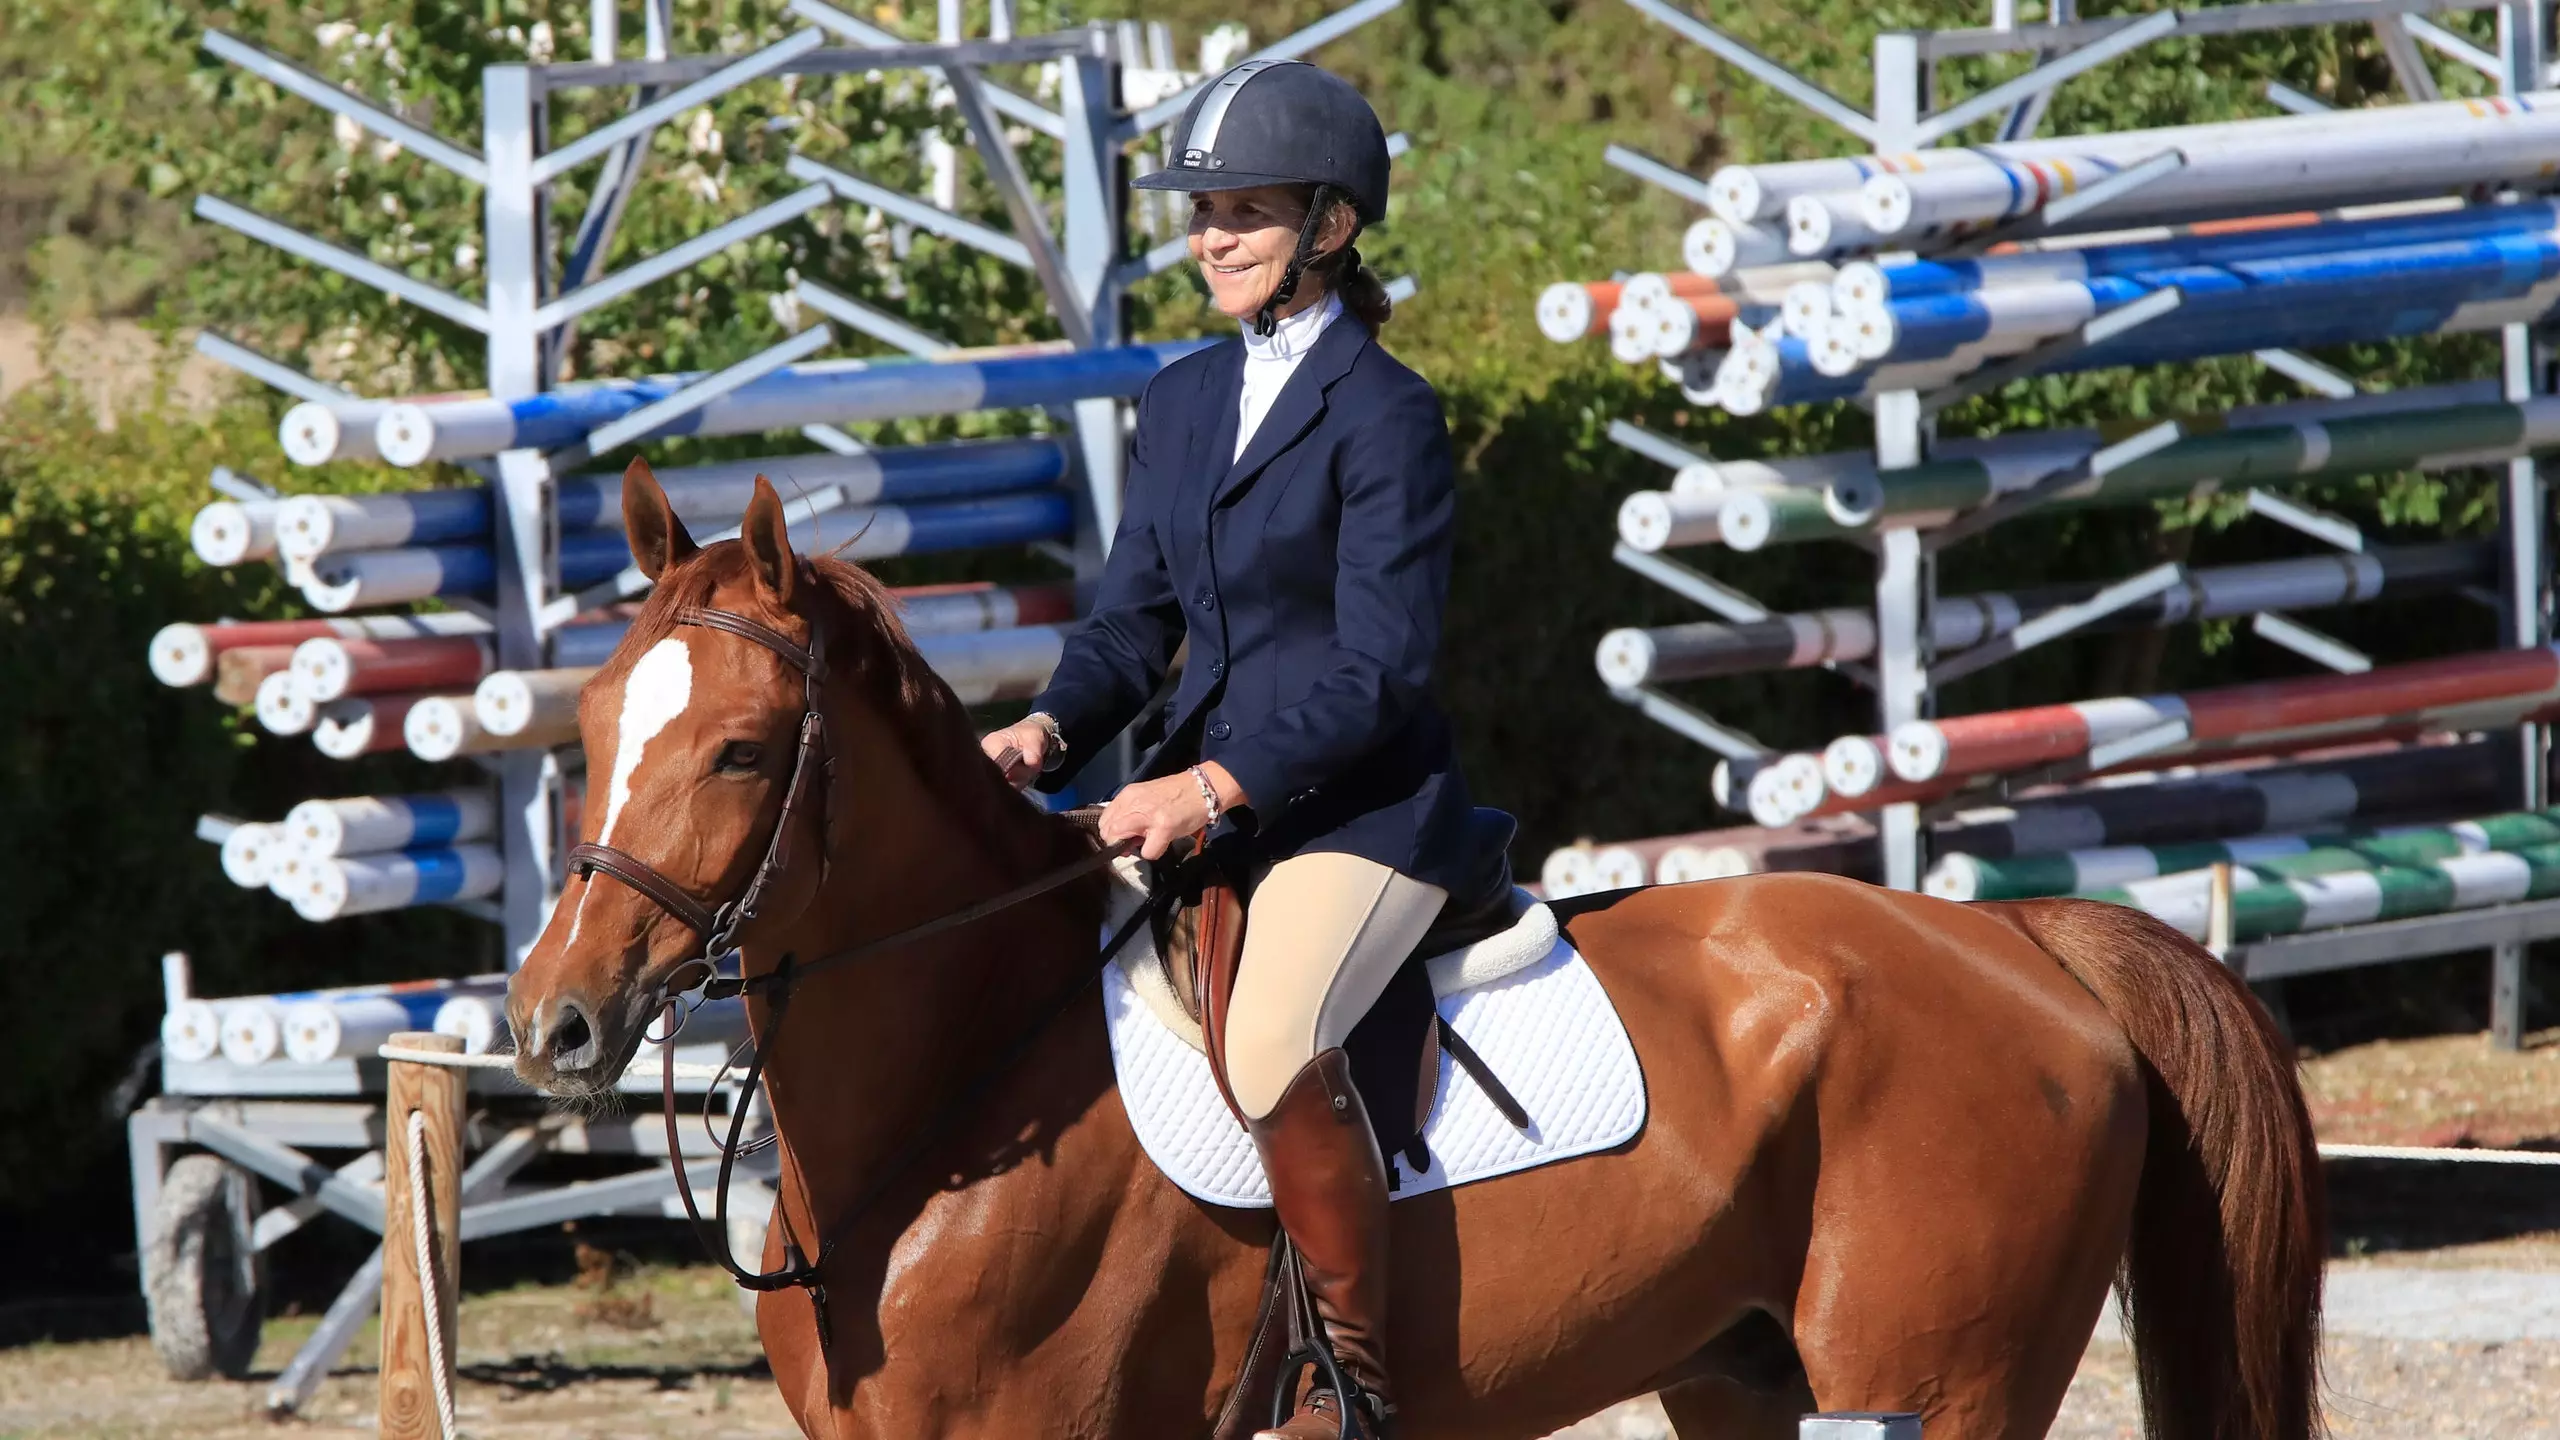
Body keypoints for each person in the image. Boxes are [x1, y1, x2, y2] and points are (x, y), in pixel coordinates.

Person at [979, 58, 1478, 1440]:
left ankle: (1353, 1385)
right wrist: (1046, 726)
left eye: (1245, 211)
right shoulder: (1184, 396)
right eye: (1203, 213)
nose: (1212, 237)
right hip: (1208, 800)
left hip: (1361, 812)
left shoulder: (1388, 416)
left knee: (1263, 1042)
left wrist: (1212, 782)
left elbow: (1384, 668)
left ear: (1329, 226)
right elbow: (1133, 618)